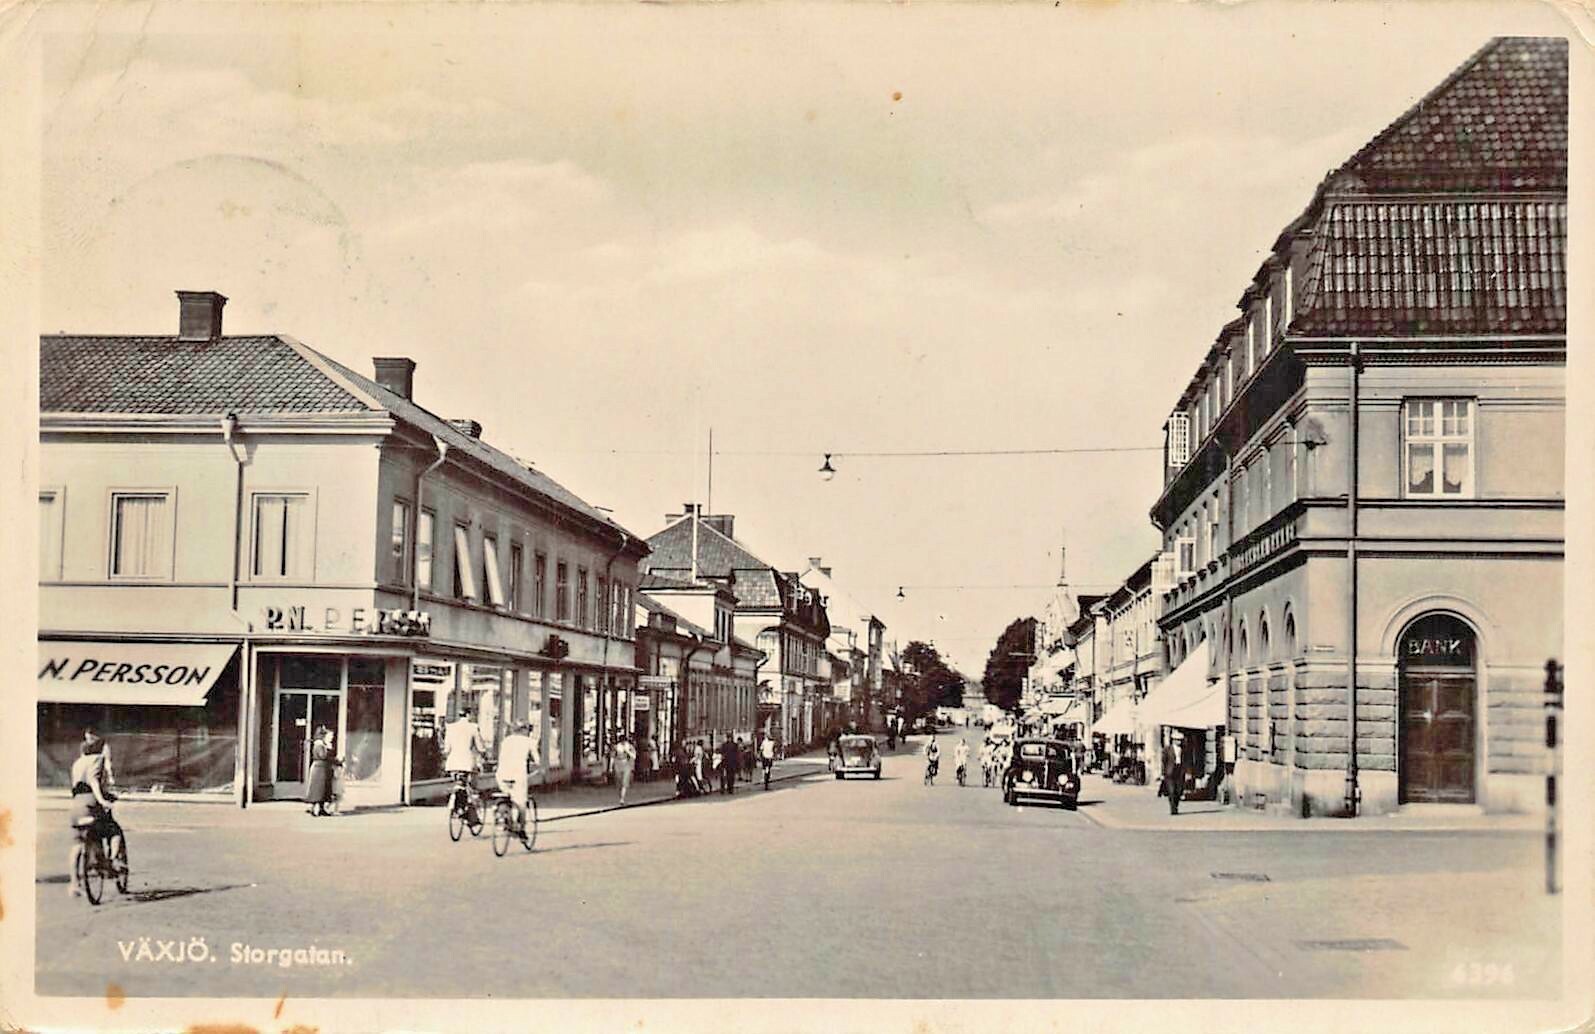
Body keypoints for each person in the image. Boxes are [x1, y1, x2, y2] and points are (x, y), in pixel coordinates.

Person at [67, 731, 115, 898]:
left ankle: (74, 883)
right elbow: (94, 781)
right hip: (91, 803)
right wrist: (102, 800)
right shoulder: (98, 759)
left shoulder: (77, 763)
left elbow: (75, 786)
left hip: (76, 805)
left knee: (77, 844)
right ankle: (108, 863)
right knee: (112, 830)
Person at [497, 721, 537, 834]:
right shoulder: (529, 741)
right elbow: (537, 760)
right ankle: (521, 830)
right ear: (524, 730)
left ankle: (504, 818)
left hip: (502, 773)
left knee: (507, 795)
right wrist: (539, 769)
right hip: (518, 774)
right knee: (521, 802)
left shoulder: (506, 741)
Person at [443, 705, 488, 805]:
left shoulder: (451, 727)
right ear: (468, 715)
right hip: (467, 763)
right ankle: (472, 803)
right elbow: (480, 747)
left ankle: (455, 801)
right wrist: (484, 755)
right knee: (472, 786)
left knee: (457, 782)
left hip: (453, 763)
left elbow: (446, 749)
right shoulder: (473, 727)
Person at [305, 726, 339, 817]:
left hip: (323, 768)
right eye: (329, 736)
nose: (331, 738)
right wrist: (328, 748)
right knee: (319, 789)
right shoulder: (319, 745)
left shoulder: (321, 745)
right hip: (319, 769)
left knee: (323, 789)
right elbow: (323, 756)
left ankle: (321, 808)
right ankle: (315, 808)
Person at [1161, 734, 1185, 816]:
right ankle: (1173, 808)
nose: (1179, 742)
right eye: (1177, 740)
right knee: (1171, 791)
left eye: (1180, 740)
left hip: (1179, 771)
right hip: (1170, 772)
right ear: (1173, 740)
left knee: (1178, 791)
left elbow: (1186, 760)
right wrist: (1163, 773)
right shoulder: (1167, 749)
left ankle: (1176, 805)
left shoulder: (1183, 749)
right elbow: (1164, 762)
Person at [613, 737, 637, 804]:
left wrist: (627, 751)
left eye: (624, 741)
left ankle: (622, 799)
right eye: (622, 742)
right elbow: (613, 756)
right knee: (619, 782)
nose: (623, 743)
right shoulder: (616, 747)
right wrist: (611, 767)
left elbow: (634, 756)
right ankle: (620, 796)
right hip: (618, 764)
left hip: (626, 764)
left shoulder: (630, 747)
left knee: (624, 782)